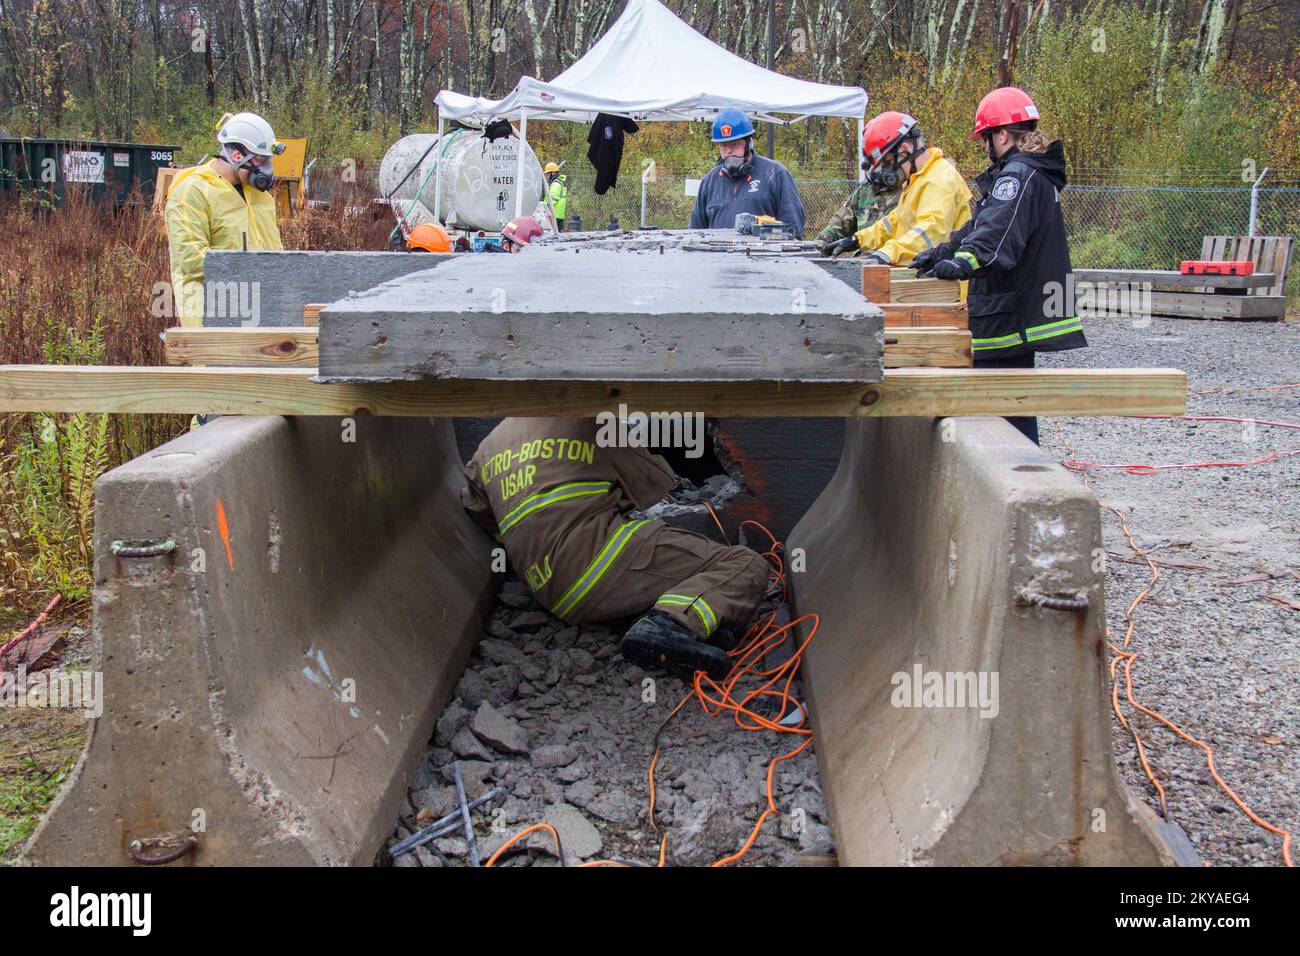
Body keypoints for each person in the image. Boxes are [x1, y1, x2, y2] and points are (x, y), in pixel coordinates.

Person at [462, 418, 772, 681]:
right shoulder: (593, 422)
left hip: (544, 589)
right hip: (598, 565)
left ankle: (669, 613)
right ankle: (668, 627)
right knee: (744, 565)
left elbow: (478, 509)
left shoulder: (489, 445)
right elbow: (656, 489)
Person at [914, 87, 1086, 446]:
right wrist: (942, 251)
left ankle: (1020, 481)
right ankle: (1023, 474)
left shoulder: (1017, 175)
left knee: (998, 404)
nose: (984, 146)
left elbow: (996, 233)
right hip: (1014, 310)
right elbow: (981, 224)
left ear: (1002, 134)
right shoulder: (1027, 172)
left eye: (986, 138)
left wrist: (963, 262)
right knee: (1011, 402)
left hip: (1009, 313)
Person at [165, 111, 285, 327]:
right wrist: (253, 270)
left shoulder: (261, 197)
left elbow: (276, 253)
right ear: (236, 154)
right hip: (213, 317)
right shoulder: (192, 192)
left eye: (268, 160)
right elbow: (193, 261)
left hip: (263, 313)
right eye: (260, 159)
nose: (266, 169)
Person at [823, 111, 971, 264]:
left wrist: (886, 254)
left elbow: (930, 232)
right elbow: (894, 221)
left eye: (887, 163)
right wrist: (858, 239)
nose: (885, 172)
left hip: (946, 283)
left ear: (905, 149)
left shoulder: (940, 180)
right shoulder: (918, 178)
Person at [689, 108, 805, 238]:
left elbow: (793, 231)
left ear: (749, 143)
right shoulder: (710, 181)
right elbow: (695, 232)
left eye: (734, 144)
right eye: (723, 145)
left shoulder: (775, 174)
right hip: (719, 257)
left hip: (763, 257)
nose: (728, 151)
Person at [815, 165, 902, 253]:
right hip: (863, 261)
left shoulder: (910, 189)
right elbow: (838, 226)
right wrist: (819, 244)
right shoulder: (865, 188)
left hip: (895, 262)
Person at [544, 162, 569, 231]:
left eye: (548, 173)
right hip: (557, 214)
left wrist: (543, 204)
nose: (547, 176)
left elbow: (552, 199)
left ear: (553, 173)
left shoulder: (556, 184)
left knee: (553, 235)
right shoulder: (556, 182)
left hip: (555, 214)